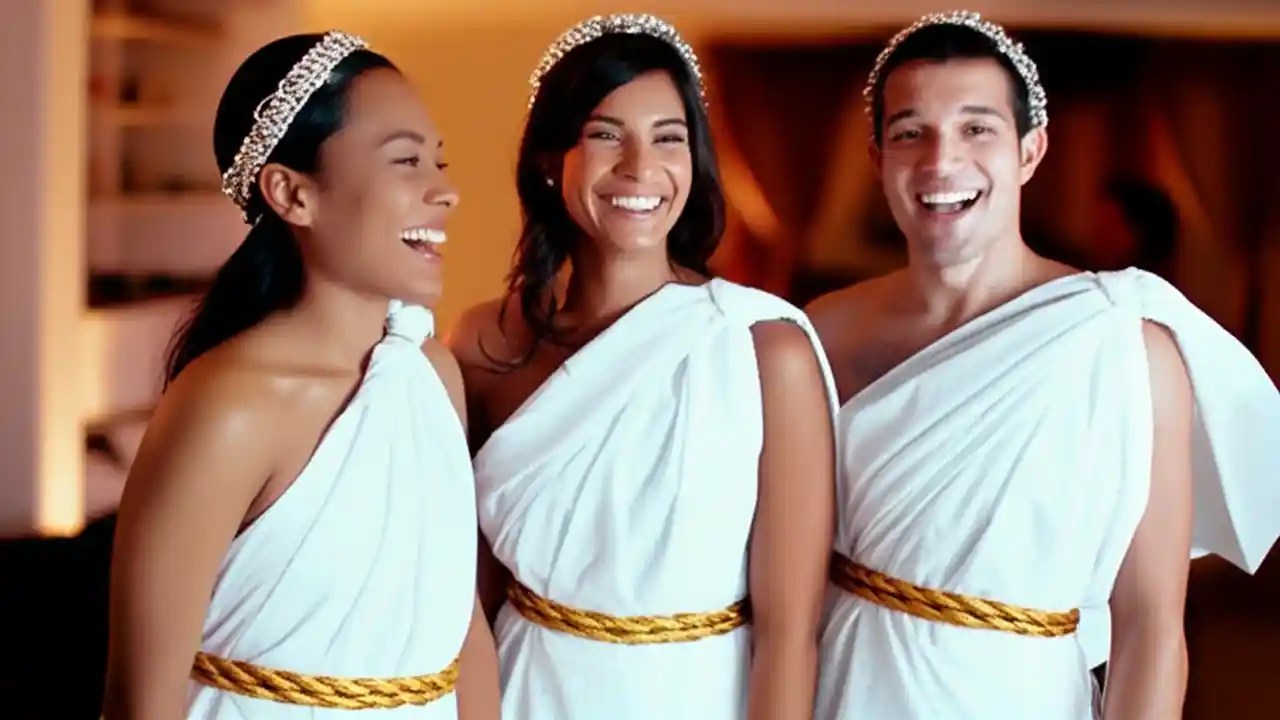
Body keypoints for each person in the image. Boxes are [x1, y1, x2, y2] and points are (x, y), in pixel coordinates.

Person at [806, 10, 1280, 720]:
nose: (941, 162)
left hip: (1021, 694)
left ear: (1029, 151)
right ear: (878, 157)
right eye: (910, 133)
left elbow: (1151, 626)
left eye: (977, 128)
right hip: (845, 687)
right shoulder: (818, 331)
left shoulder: (1124, 344)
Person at [447, 13, 837, 720]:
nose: (638, 168)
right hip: (526, 688)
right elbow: (467, 594)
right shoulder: (483, 344)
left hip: (696, 694)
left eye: (668, 138)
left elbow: (790, 631)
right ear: (548, 159)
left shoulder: (765, 347)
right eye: (605, 135)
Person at [103, 31, 499, 719]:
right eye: (406, 160)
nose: (445, 191)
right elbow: (142, 700)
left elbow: (459, 623)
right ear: (291, 194)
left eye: (437, 161)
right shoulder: (229, 403)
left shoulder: (431, 372)